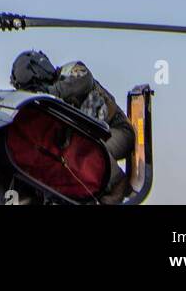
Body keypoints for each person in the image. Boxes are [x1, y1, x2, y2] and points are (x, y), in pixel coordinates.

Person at [10, 51, 136, 203]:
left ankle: (119, 190)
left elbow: (85, 80)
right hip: (91, 138)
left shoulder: (71, 71)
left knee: (91, 152)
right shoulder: (48, 105)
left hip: (117, 131)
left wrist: (48, 92)